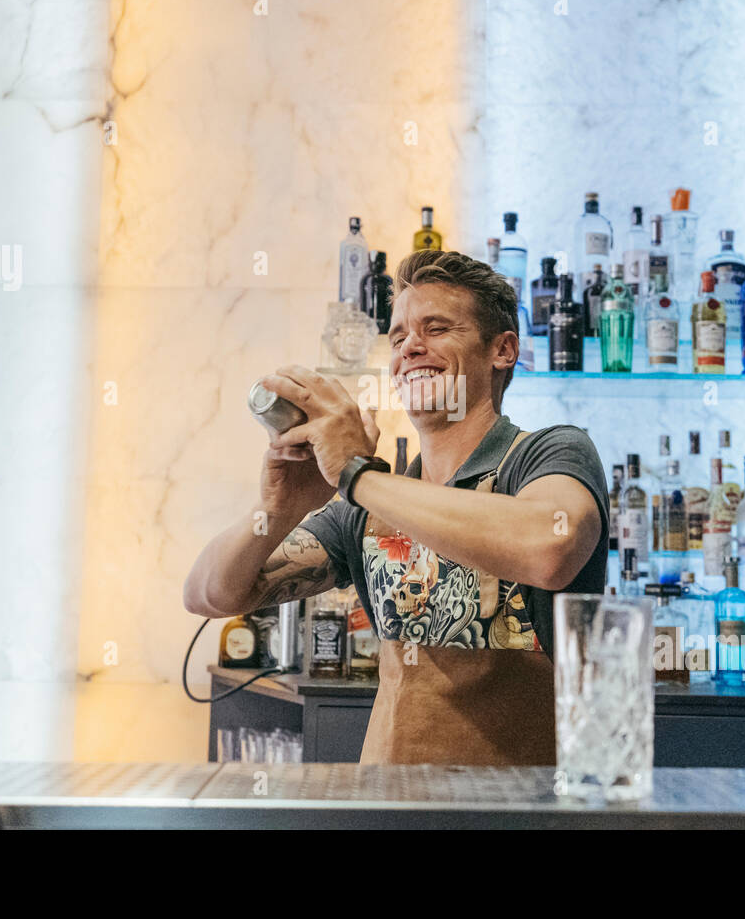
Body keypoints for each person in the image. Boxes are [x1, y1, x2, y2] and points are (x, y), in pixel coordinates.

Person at [184, 249, 608, 764]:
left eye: (436, 328)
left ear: (503, 350)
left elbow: (550, 546)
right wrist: (274, 510)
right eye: (399, 336)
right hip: (389, 805)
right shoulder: (370, 506)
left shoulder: (547, 453)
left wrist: (355, 475)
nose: (411, 348)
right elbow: (209, 593)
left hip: (520, 812)